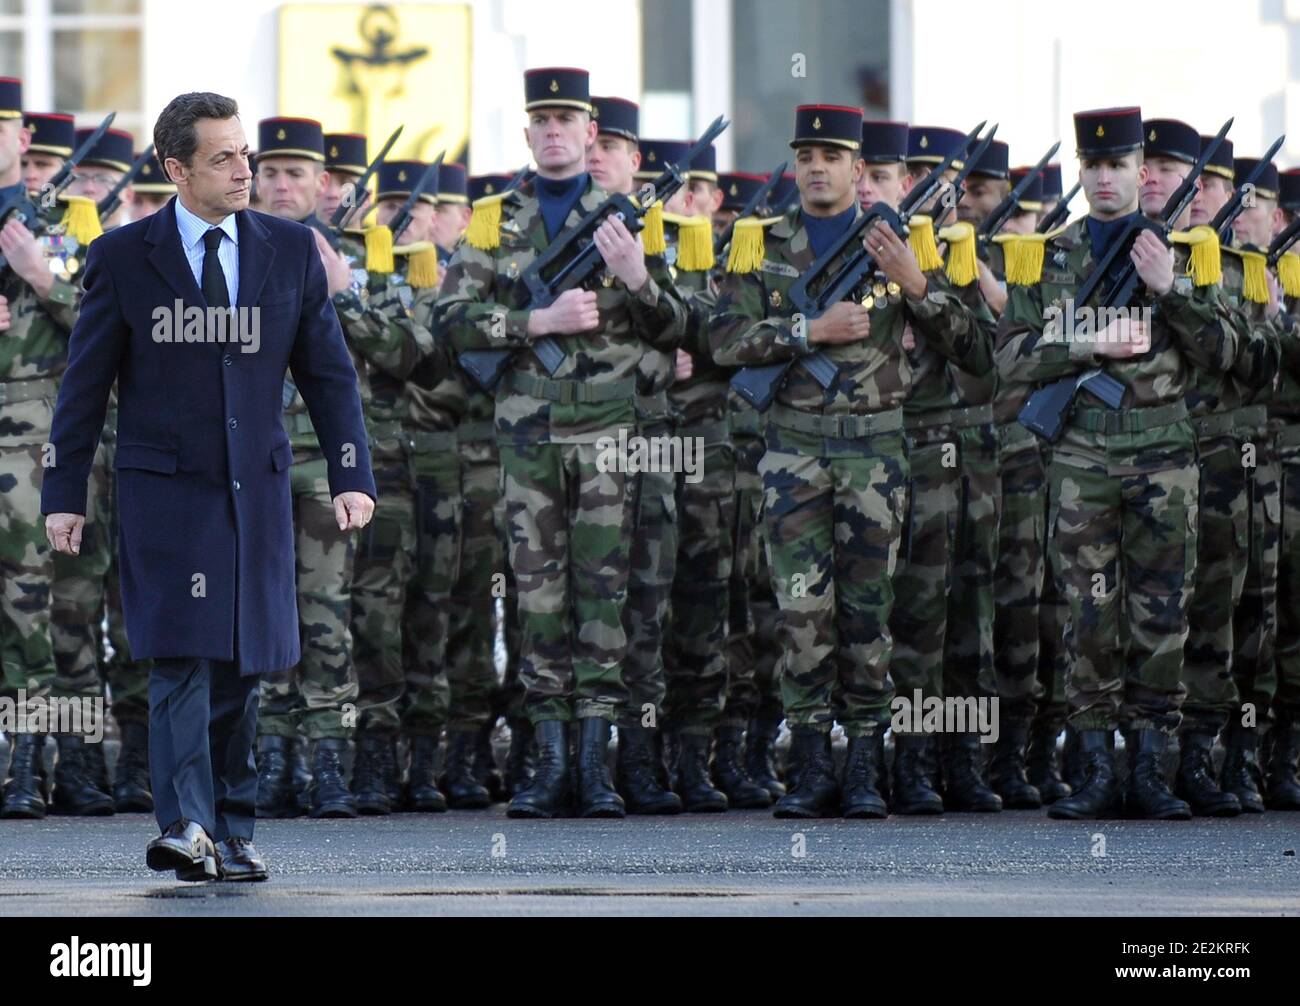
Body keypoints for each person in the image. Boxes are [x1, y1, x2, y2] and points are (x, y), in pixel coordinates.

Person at [41, 91, 376, 881]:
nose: (243, 170)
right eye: (222, 156)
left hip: (253, 489)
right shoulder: (123, 257)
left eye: (244, 154)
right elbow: (83, 387)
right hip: (165, 492)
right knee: (180, 658)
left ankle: (232, 825)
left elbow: (329, 376)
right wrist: (62, 493)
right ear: (175, 169)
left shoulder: (289, 250)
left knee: (241, 661)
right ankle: (186, 825)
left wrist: (350, 471)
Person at [712, 106, 987, 818]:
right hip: (794, 450)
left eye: (831, 156)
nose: (815, 167)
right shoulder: (760, 242)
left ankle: (864, 762)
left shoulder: (900, 243)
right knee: (802, 614)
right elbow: (723, 340)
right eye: (805, 154)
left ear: (858, 170)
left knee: (870, 613)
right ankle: (809, 766)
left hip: (874, 454)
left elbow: (978, 349)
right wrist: (807, 330)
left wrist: (915, 282)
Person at [437, 67, 687, 819]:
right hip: (530, 434)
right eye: (540, 120)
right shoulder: (491, 221)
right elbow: (449, 322)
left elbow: (681, 328)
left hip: (611, 434)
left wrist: (637, 279)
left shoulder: (626, 220)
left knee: (605, 594)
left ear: (590, 134)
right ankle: (545, 767)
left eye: (566, 121)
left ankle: (595, 764)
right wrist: (532, 324)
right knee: (537, 594)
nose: (553, 132)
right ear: (526, 133)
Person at [996, 106, 1237, 820]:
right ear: (1082, 173)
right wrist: (1086, 343)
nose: (1105, 178)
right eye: (1093, 167)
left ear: (1142, 173)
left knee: (1162, 613)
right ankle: (1096, 768)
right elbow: (1006, 357)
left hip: (1164, 459)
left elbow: (1229, 354)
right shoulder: (1051, 255)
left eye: (1119, 166)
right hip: (1084, 458)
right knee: (1088, 612)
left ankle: (1152, 770)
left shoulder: (1183, 255)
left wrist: (1170, 291)